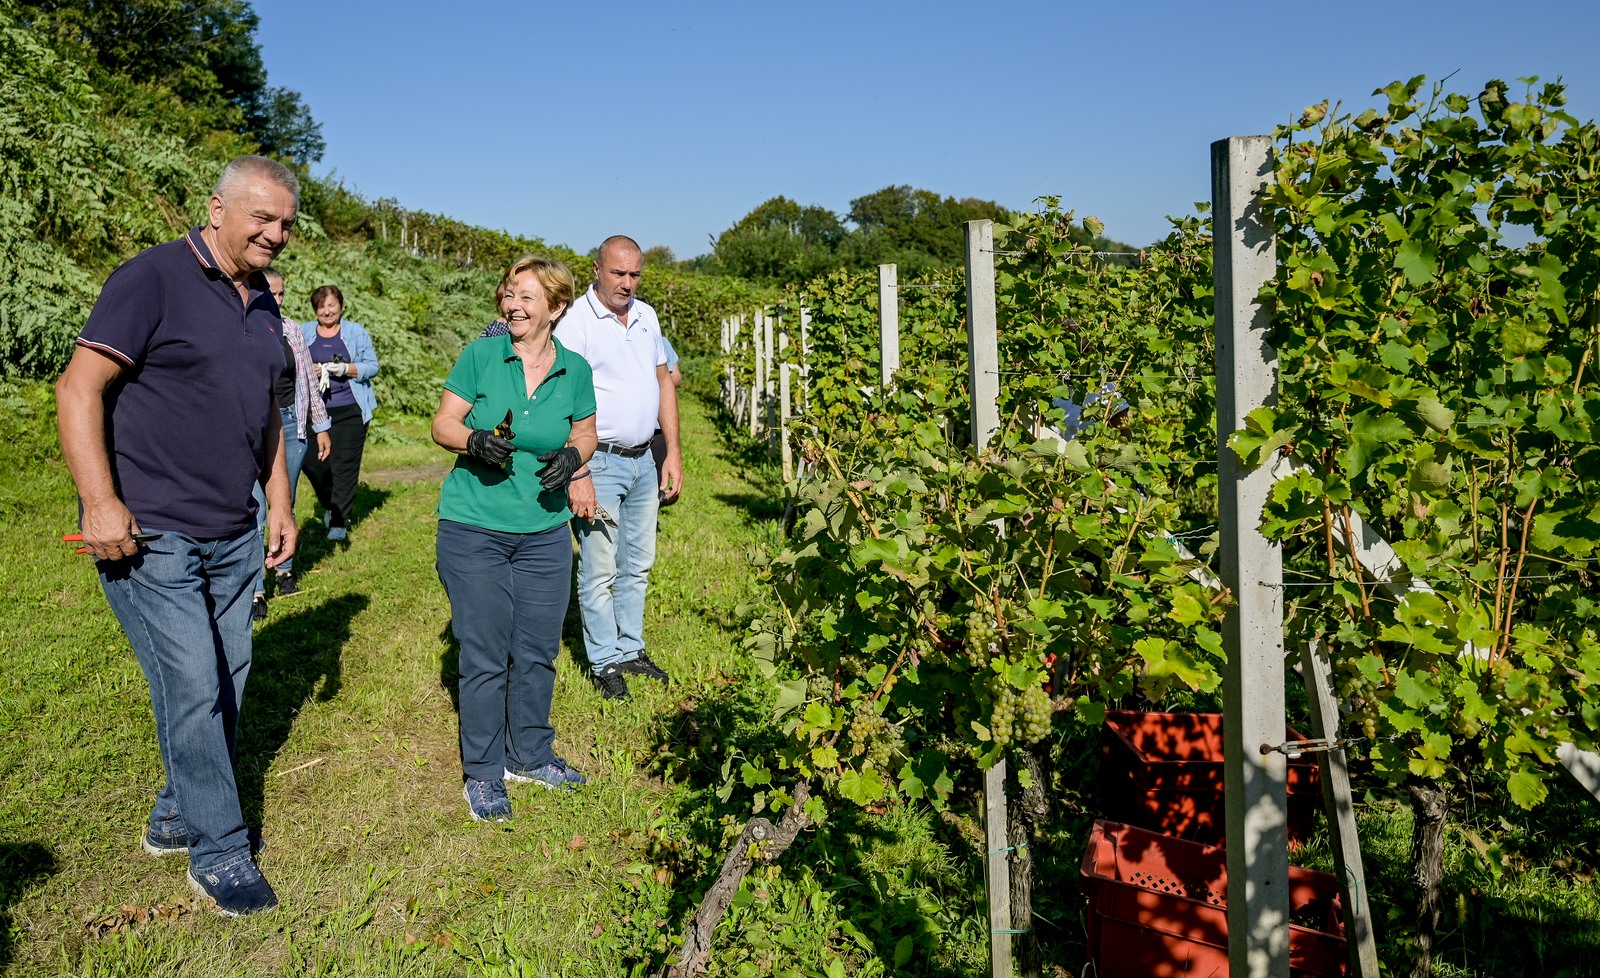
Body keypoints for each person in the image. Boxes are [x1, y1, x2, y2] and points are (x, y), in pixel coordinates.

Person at [54, 155, 299, 917]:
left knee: (230, 679)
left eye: (287, 223)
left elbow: (268, 419)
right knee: (193, 684)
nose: (276, 234)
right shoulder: (153, 277)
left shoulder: (262, 305)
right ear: (217, 208)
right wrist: (99, 501)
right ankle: (219, 851)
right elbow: (78, 385)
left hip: (234, 528)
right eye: (262, 217)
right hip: (152, 529)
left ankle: (172, 812)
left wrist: (281, 505)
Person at [431, 255, 598, 821]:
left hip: (546, 532)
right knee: (483, 653)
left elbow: (586, 428)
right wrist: (473, 440)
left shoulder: (573, 369)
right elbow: (442, 424)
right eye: (509, 294)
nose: (513, 305)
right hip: (473, 527)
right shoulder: (482, 354)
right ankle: (482, 771)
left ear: (556, 307)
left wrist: (576, 456)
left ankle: (529, 753)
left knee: (537, 649)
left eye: (527, 297)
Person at [554, 235, 683, 700]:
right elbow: (562, 400)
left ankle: (630, 647)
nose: (627, 283)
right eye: (618, 273)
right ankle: (604, 659)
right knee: (599, 566)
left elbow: (663, 384)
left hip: (644, 458)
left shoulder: (647, 316)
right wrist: (578, 471)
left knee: (638, 564)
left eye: (634, 275)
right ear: (596, 269)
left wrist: (673, 452)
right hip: (600, 461)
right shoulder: (576, 324)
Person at [247, 267, 332, 618]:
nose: (275, 299)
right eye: (269, 291)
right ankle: (255, 590)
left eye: (280, 293)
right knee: (254, 510)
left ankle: (284, 570)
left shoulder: (293, 330)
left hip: (291, 423)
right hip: (253, 427)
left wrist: (321, 425)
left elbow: (309, 381)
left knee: (286, 501)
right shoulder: (244, 326)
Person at [299, 285, 378, 541]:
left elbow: (372, 366)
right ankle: (330, 504)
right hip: (315, 410)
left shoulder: (356, 332)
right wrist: (312, 369)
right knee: (313, 464)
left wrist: (344, 369)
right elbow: (294, 365)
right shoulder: (304, 331)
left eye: (331, 305)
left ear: (341, 306)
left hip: (351, 409)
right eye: (321, 306)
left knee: (344, 465)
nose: (327, 311)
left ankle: (339, 521)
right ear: (315, 309)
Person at [648, 333, 683, 506]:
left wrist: (657, 381)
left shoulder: (660, 342)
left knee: (656, 472)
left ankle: (655, 504)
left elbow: (676, 376)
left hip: (657, 427)